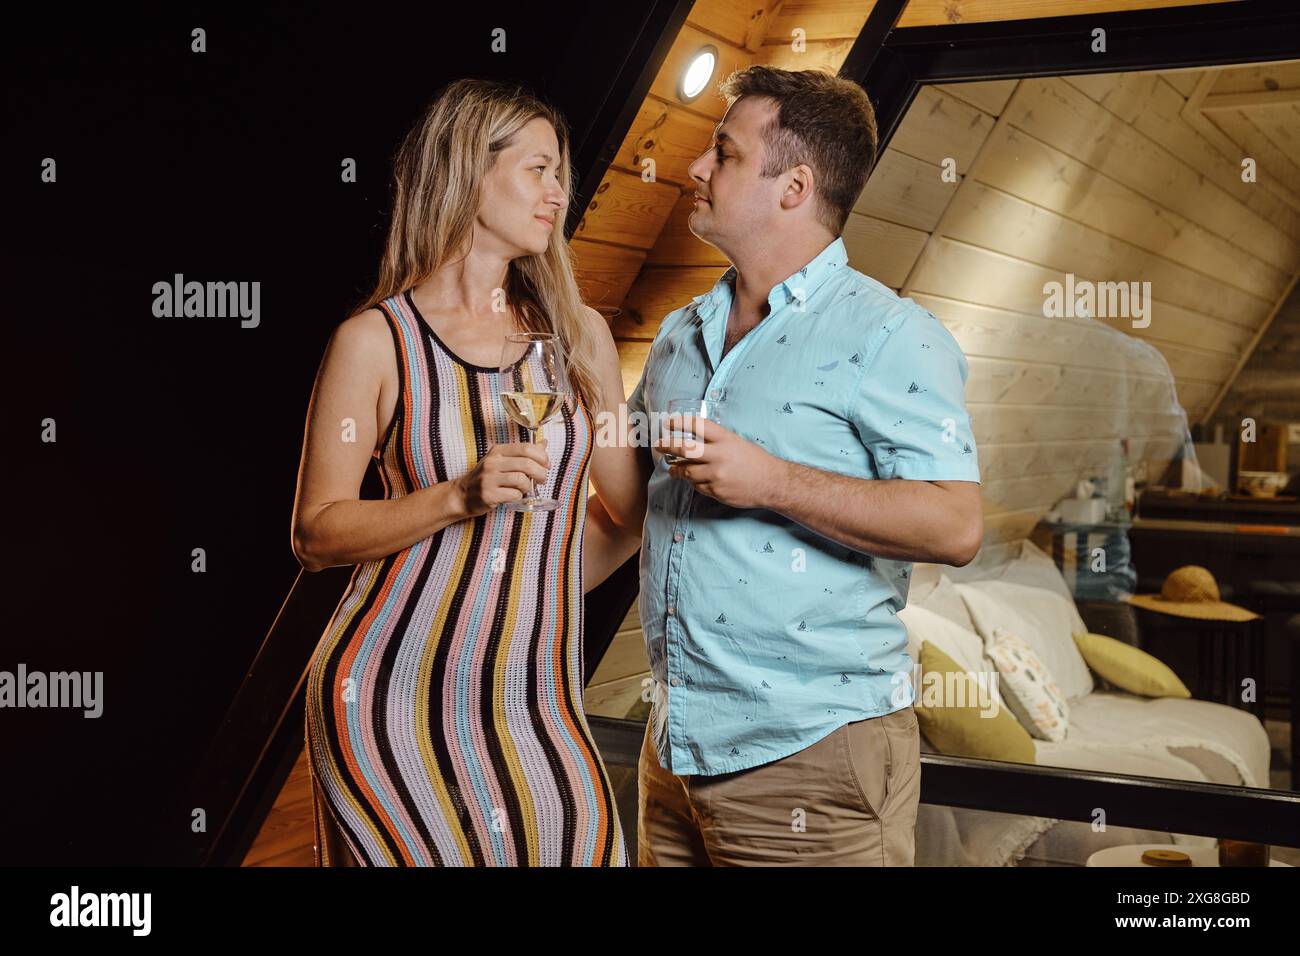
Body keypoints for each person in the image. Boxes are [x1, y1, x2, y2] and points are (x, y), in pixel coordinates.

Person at [601, 66, 984, 865]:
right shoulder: (676, 335)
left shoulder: (890, 334)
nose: (695, 169)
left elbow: (955, 524)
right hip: (673, 748)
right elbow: (635, 510)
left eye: (724, 153)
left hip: (814, 755)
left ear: (794, 187)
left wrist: (771, 481)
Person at [291, 78, 642, 866]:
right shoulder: (377, 340)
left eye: (562, 176)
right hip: (388, 693)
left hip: (535, 698)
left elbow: (630, 512)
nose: (558, 193)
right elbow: (316, 532)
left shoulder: (580, 335)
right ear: (466, 172)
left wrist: (532, 577)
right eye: (537, 170)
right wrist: (460, 496)